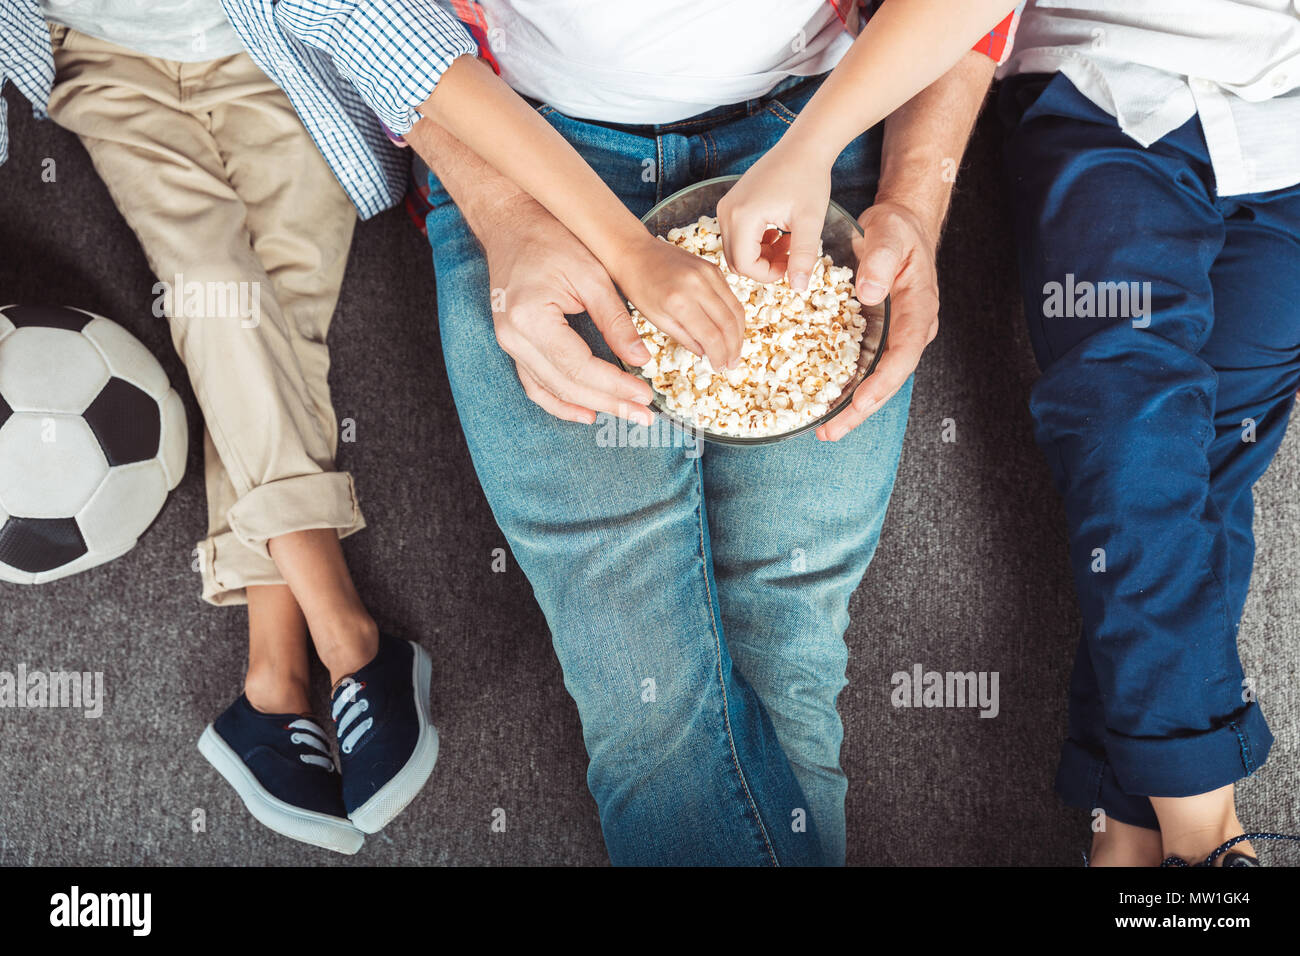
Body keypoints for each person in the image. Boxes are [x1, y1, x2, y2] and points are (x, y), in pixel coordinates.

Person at [399, 0, 1019, 865]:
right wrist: (500, 207)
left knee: (785, 638)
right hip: (517, 155)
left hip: (819, 128)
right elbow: (360, 22)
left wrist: (912, 197)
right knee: (637, 679)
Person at [0, 0, 491, 853]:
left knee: (279, 313)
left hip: (288, 50)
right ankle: (340, 634)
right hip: (107, 60)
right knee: (208, 283)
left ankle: (277, 674)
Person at [999, 0, 1300, 867]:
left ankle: (1125, 841)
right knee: (1134, 444)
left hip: (1287, 132)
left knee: (1209, 473)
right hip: (1111, 90)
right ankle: (1212, 849)